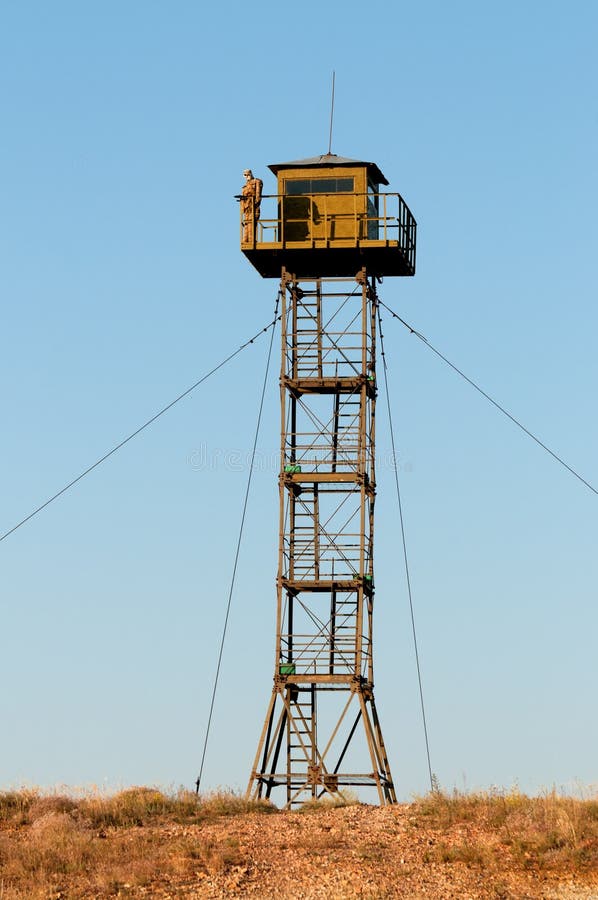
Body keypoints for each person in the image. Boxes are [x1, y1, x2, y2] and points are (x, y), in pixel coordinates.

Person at [240, 169, 263, 243]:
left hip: (254, 207)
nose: (247, 176)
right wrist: (242, 208)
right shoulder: (244, 187)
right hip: (246, 208)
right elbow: (242, 199)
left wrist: (255, 204)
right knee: (246, 225)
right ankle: (245, 241)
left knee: (251, 224)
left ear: (251, 174)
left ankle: (251, 241)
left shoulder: (257, 181)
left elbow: (258, 195)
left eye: (248, 174)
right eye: (245, 175)